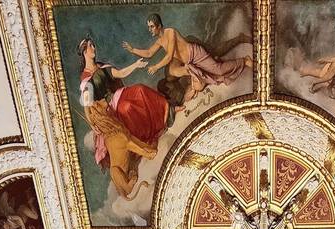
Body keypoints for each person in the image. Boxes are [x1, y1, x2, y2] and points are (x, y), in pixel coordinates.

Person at [78, 37, 170, 200]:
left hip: (118, 95)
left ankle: (163, 115)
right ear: (85, 52)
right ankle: (144, 137)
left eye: (93, 45)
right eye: (90, 46)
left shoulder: (102, 67)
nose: (94, 48)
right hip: (110, 109)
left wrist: (135, 65)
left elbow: (119, 73)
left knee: (140, 89)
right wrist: (93, 124)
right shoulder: (85, 79)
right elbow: (87, 105)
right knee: (127, 108)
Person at [123, 14, 250, 105]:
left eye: (151, 26)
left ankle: (244, 60)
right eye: (149, 27)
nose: (149, 29)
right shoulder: (160, 41)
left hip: (195, 53)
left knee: (219, 70)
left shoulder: (170, 32)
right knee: (208, 77)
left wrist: (156, 67)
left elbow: (169, 56)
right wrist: (133, 50)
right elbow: (149, 52)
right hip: (191, 61)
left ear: (159, 26)